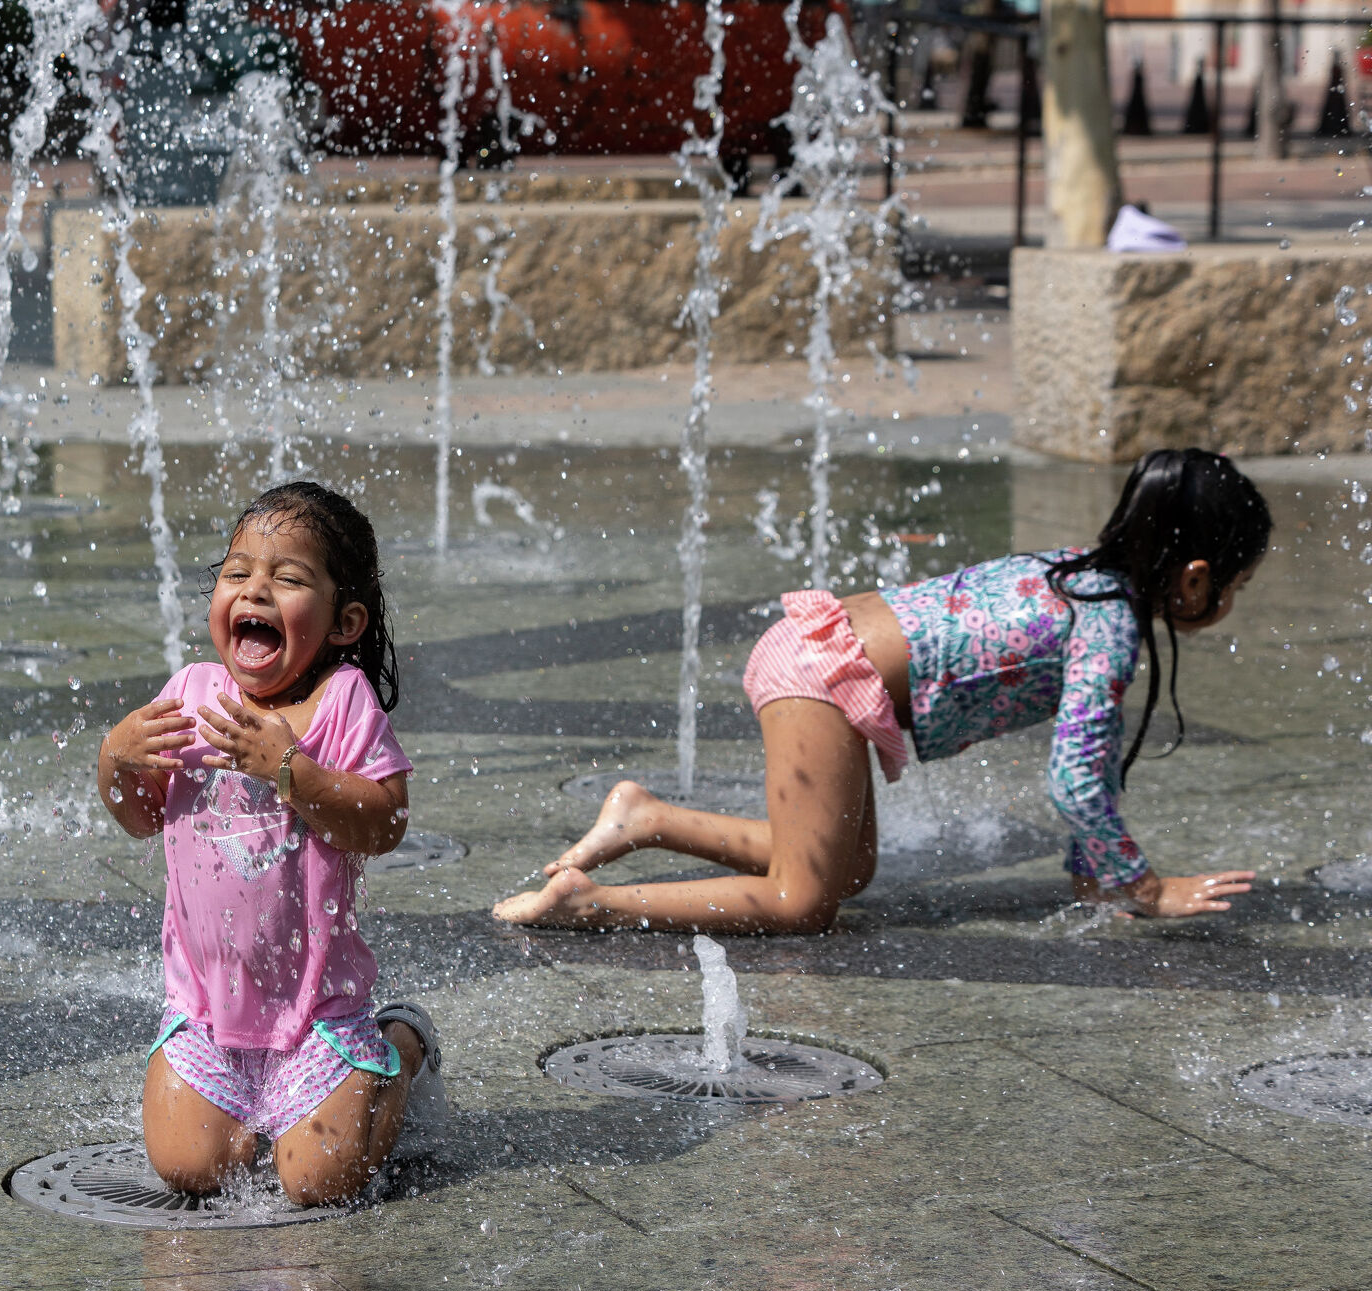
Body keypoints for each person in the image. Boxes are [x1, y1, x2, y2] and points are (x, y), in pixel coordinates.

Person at [495, 447, 1272, 933]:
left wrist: (1092, 871)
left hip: (824, 655)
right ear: (1193, 576)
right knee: (803, 903)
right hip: (822, 677)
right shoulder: (1109, 626)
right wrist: (1145, 886)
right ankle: (588, 903)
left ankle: (647, 817)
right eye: (1234, 586)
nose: (1229, 601)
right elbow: (1073, 780)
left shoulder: (1081, 574)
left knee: (849, 867)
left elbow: (1092, 757)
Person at [98, 481, 444, 1205]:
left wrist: (291, 770)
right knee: (190, 1168)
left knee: (320, 1180)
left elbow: (384, 823)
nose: (254, 589)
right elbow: (140, 816)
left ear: (345, 621)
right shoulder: (191, 693)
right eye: (237, 572)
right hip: (206, 1011)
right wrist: (116, 761)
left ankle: (400, 1046)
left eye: (287, 578)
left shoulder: (342, 702)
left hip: (318, 1014)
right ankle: (253, 1112)